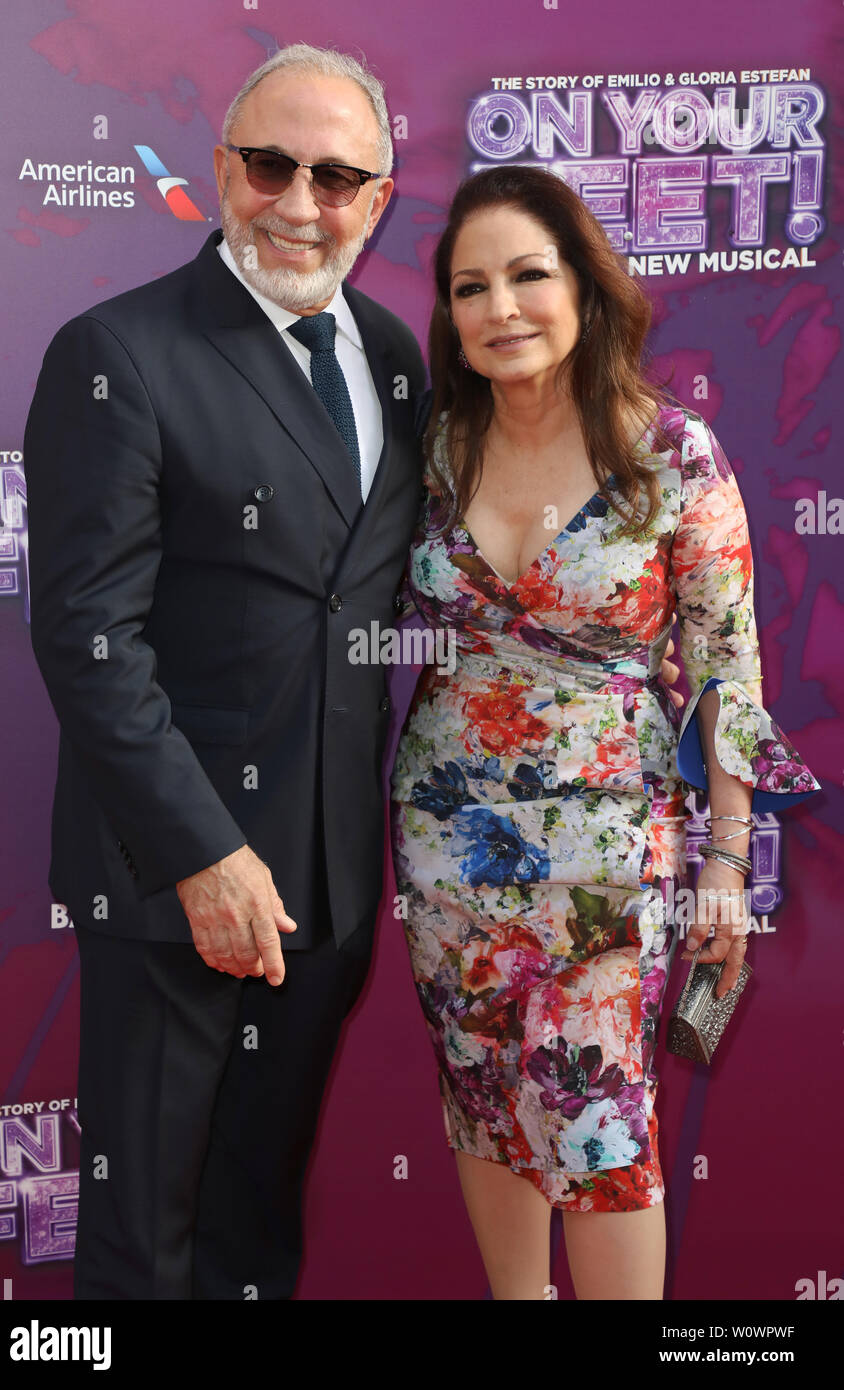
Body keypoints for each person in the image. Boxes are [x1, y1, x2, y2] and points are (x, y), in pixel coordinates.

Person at [24, 43, 426, 1300]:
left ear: (377, 198)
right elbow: (89, 637)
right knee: (143, 1244)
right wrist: (203, 855)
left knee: (255, 1228)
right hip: (171, 886)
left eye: (334, 175)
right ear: (219, 172)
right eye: (268, 165)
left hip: (329, 885)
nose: (297, 203)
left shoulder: (396, 356)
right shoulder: (117, 352)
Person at [389, 166, 821, 1301]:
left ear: (583, 286)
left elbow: (727, 672)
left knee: (598, 1124)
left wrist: (725, 864)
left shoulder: (671, 455)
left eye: (528, 274)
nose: (500, 308)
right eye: (470, 286)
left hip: (607, 853)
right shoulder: (430, 449)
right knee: (483, 1100)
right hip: (446, 848)